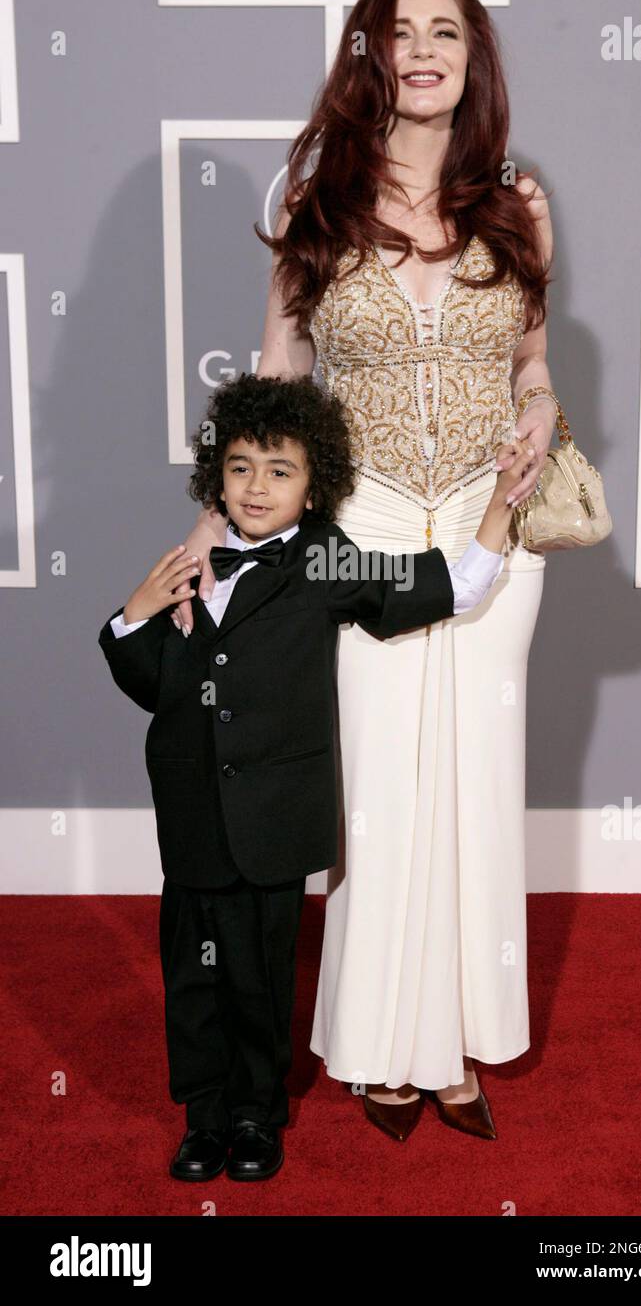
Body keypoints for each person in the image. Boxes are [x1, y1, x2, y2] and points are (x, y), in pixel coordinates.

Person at [173, 0, 558, 1143]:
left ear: (472, 59)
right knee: (383, 800)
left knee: (477, 796)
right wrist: (208, 524)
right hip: (369, 528)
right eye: (403, 34)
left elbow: (533, 363)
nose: (426, 50)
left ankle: (455, 1045)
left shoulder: (519, 204)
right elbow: (280, 369)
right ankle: (384, 1045)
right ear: (370, 58)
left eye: (448, 32)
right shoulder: (321, 203)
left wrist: (540, 405)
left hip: (497, 527)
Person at [98, 373, 535, 1180]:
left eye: (278, 469)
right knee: (193, 982)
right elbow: (154, 685)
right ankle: (202, 1119)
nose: (255, 486)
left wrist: (501, 506)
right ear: (213, 478)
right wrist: (135, 609)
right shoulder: (190, 568)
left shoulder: (327, 562)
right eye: (238, 467)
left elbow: (447, 588)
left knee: (261, 980)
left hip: (274, 818)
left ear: (314, 484)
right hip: (193, 816)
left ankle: (258, 1118)